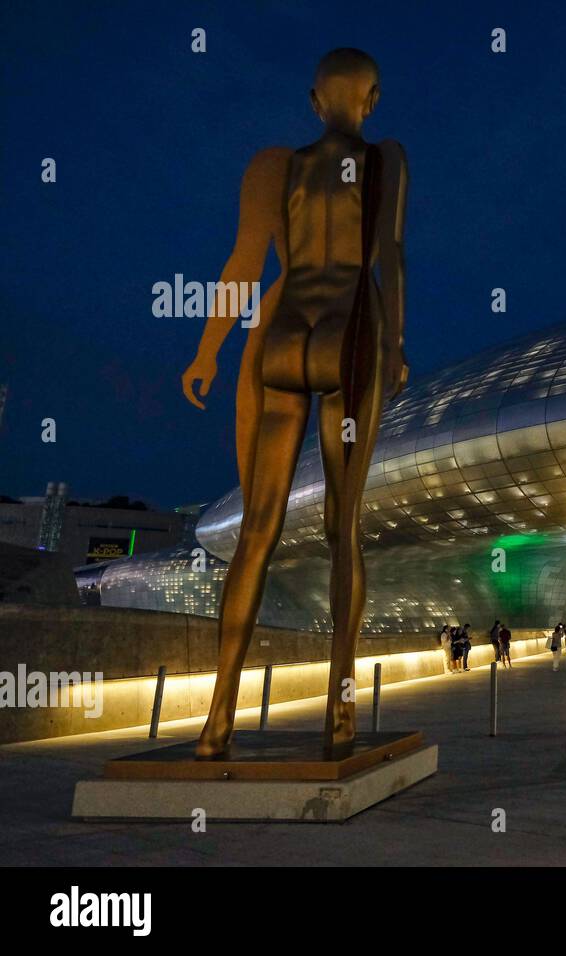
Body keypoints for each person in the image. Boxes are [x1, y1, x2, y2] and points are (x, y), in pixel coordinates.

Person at [183, 48, 410, 757]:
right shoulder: (385, 161)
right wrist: (396, 345)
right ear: (370, 100)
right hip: (348, 325)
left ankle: (217, 721)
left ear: (314, 100)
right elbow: (391, 255)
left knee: (257, 530)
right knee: (344, 527)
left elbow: (244, 261)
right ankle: (340, 716)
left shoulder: (272, 166)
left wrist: (208, 349)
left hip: (285, 330)